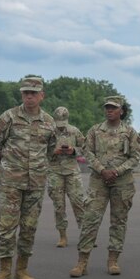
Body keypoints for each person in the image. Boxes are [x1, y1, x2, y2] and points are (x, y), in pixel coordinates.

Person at [0, 75, 57, 279]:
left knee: (29, 227)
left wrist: (39, 167)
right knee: (6, 226)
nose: (29, 97)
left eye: (33, 93)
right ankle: (4, 270)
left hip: (35, 182)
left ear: (41, 96)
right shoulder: (8, 117)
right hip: (10, 182)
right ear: (21, 95)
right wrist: (7, 167)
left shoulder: (48, 122)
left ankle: (22, 269)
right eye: (26, 93)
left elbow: (52, 150)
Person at [71, 96, 140, 276]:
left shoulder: (130, 132)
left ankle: (113, 260)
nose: (109, 110)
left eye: (113, 108)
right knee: (90, 220)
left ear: (122, 111)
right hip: (98, 182)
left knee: (118, 222)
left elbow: (134, 157)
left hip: (122, 183)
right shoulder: (95, 130)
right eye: (107, 108)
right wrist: (102, 170)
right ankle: (82, 262)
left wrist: (117, 171)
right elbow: (88, 152)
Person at [48, 106, 87, 249]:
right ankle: (62, 236)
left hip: (72, 171)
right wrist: (54, 151)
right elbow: (40, 151)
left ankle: (85, 235)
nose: (61, 127)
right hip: (54, 172)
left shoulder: (74, 131)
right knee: (59, 206)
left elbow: (86, 148)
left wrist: (73, 150)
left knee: (79, 203)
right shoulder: (49, 132)